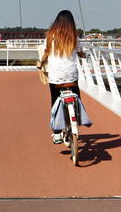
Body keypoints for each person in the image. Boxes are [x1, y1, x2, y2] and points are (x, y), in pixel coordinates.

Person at [36, 9, 85, 144]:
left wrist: (41, 64)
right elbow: (80, 53)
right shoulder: (74, 38)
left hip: (56, 76)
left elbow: (45, 55)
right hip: (71, 75)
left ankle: (57, 133)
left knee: (55, 101)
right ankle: (77, 118)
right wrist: (84, 55)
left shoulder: (50, 38)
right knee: (76, 96)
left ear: (57, 22)